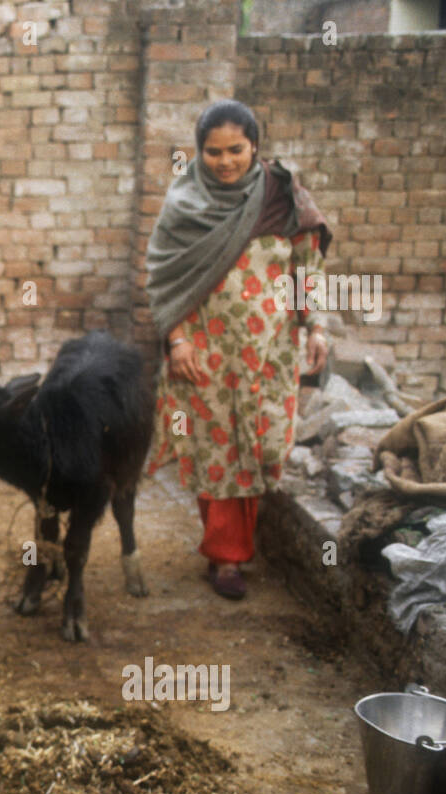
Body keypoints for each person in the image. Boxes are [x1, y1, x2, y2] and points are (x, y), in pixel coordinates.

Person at [144, 100, 332, 600]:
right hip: (205, 353)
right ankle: (226, 557)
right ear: (198, 152)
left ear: (255, 147)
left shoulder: (283, 197)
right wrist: (178, 338)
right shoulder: (185, 203)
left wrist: (314, 327)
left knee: (261, 444)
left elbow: (305, 269)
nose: (225, 161)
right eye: (213, 152)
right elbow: (165, 277)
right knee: (218, 452)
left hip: (270, 352)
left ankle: (236, 543)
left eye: (236, 150)